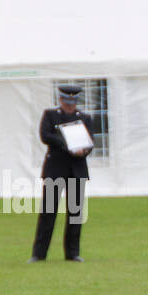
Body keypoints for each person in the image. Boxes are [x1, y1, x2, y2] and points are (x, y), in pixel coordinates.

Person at [30, 84, 92, 262]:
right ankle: (39, 253)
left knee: (75, 213)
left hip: (77, 169)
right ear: (61, 99)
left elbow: (90, 141)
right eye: (66, 100)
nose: (69, 104)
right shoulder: (51, 115)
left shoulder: (85, 118)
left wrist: (83, 150)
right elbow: (45, 136)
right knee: (48, 212)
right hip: (55, 169)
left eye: (73, 101)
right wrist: (67, 144)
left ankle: (72, 253)